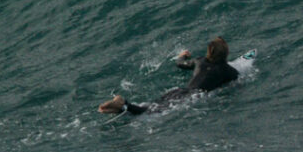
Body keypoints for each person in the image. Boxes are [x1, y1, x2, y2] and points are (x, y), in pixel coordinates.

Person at [100, 37, 239, 115]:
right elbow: (234, 82)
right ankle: (123, 104)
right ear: (225, 53)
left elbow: (180, 63)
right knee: (151, 112)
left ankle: (122, 108)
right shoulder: (227, 70)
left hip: (179, 91)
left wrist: (182, 56)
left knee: (151, 107)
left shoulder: (200, 61)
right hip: (192, 96)